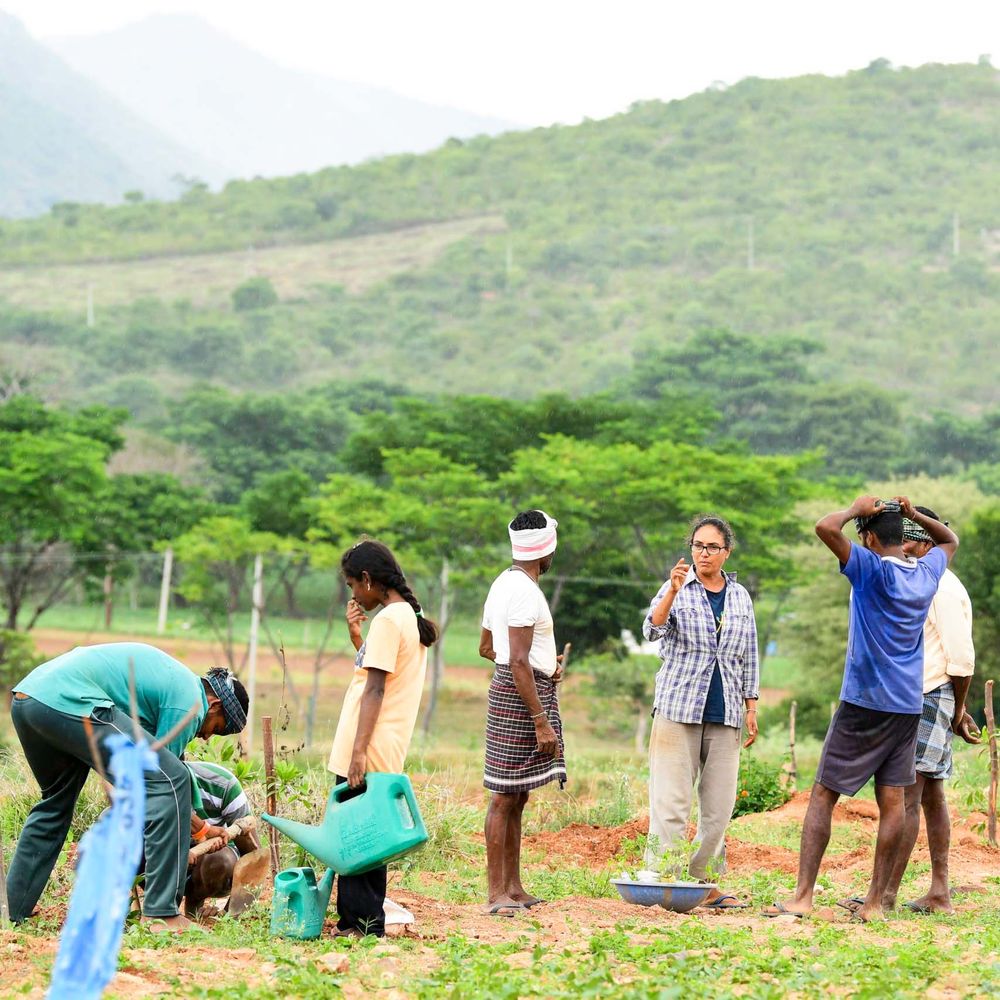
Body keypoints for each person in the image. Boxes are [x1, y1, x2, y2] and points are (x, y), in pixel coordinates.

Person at [765, 496, 958, 923]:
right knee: (893, 802)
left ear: (869, 538)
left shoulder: (869, 569)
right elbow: (950, 540)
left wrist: (853, 508)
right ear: (902, 536)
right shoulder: (926, 574)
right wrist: (914, 516)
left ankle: (802, 897)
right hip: (907, 705)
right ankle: (874, 904)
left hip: (863, 701)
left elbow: (824, 528)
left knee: (823, 794)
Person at [6, 643, 247, 933]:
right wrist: (201, 830)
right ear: (215, 705)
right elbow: (166, 786)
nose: (207, 737)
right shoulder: (191, 702)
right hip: (74, 701)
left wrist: (202, 830)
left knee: (55, 805)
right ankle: (162, 914)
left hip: (30, 699)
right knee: (170, 781)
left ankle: (13, 911)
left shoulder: (171, 685)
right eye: (217, 728)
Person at [641, 514, 759, 909]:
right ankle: (662, 878)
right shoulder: (678, 585)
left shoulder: (739, 596)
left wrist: (751, 704)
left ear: (726, 552)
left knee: (719, 806)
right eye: (697, 545)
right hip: (678, 707)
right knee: (671, 800)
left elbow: (749, 653)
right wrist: (672, 593)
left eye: (711, 547)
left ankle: (702, 880)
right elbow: (652, 630)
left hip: (724, 710)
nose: (703, 553)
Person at [327, 540, 438, 938]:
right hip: (385, 744)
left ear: (369, 580)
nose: (354, 594)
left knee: (357, 838)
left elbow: (375, 691)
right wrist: (357, 636)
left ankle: (357, 925)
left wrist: (358, 753)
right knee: (368, 836)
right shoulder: (408, 615)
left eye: (353, 585)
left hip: (368, 745)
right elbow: (378, 671)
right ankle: (365, 921)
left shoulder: (390, 621)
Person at [875, 507, 978, 915]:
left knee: (907, 797)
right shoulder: (927, 581)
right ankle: (938, 891)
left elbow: (961, 659)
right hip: (930, 696)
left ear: (924, 541)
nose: (900, 546)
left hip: (931, 696)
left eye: (906, 539)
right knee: (931, 795)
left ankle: (885, 895)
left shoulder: (943, 588)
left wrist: (957, 709)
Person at [480, 509, 566, 916]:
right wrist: (539, 718)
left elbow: (487, 646)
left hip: (521, 688)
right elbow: (516, 661)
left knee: (518, 794)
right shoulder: (525, 593)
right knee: (503, 796)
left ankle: (514, 888)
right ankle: (497, 892)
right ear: (545, 549)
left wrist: (547, 664)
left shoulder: (504, 583)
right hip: (520, 696)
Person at [184, 761, 262, 916]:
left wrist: (227, 916)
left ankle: (193, 910)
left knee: (219, 861)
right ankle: (163, 910)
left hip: (208, 867)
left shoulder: (222, 784)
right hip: (161, 865)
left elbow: (255, 860)